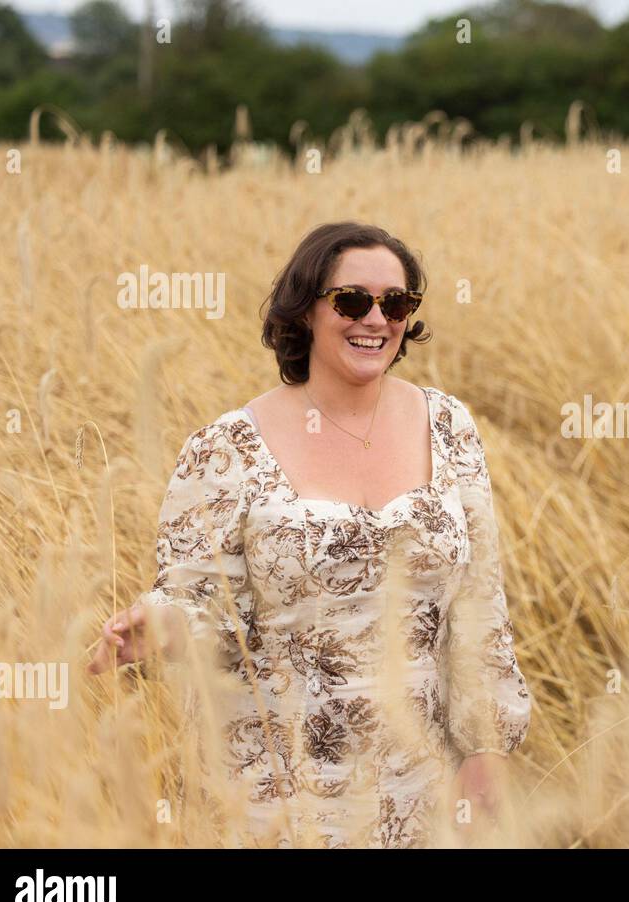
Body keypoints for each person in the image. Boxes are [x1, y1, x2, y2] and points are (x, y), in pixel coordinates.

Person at [89, 221, 530, 847]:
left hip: (421, 786)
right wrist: (160, 624)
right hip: (277, 794)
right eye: (352, 300)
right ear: (305, 311)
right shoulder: (227, 450)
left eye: (395, 303)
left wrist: (487, 748)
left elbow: (479, 601)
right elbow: (205, 607)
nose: (374, 318)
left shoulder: (449, 426)